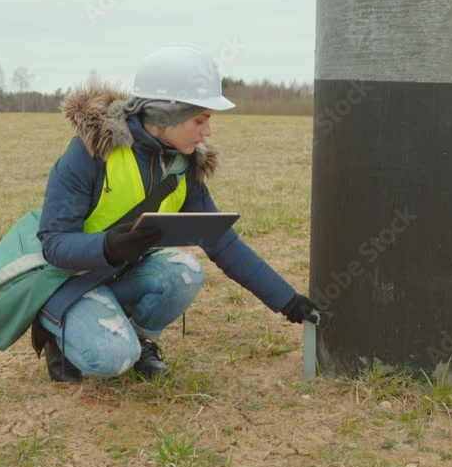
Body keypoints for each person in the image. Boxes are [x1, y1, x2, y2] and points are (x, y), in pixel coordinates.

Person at [31, 44, 319, 382]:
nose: (207, 131)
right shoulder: (90, 152)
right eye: (201, 119)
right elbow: (53, 245)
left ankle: (135, 338)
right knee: (113, 359)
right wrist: (108, 246)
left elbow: (222, 244)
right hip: (70, 283)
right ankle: (58, 335)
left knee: (185, 271)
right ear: (166, 114)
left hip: (120, 278)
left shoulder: (183, 165)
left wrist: (286, 301)